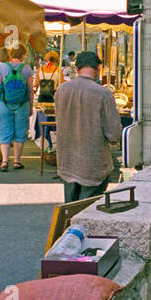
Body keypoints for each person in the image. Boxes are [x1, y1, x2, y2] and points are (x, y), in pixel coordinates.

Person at [54, 51, 124, 203]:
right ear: (98, 68)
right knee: (87, 216)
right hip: (93, 165)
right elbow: (114, 134)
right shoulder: (102, 94)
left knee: (71, 209)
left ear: (77, 69)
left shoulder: (62, 90)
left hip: (67, 162)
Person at [0, 44, 34, 171]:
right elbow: (31, 90)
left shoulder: (2, 67)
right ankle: (17, 161)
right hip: (22, 104)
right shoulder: (27, 69)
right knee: (20, 132)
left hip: (3, 103)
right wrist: (31, 106)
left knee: (4, 131)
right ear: (22, 55)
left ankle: (5, 161)